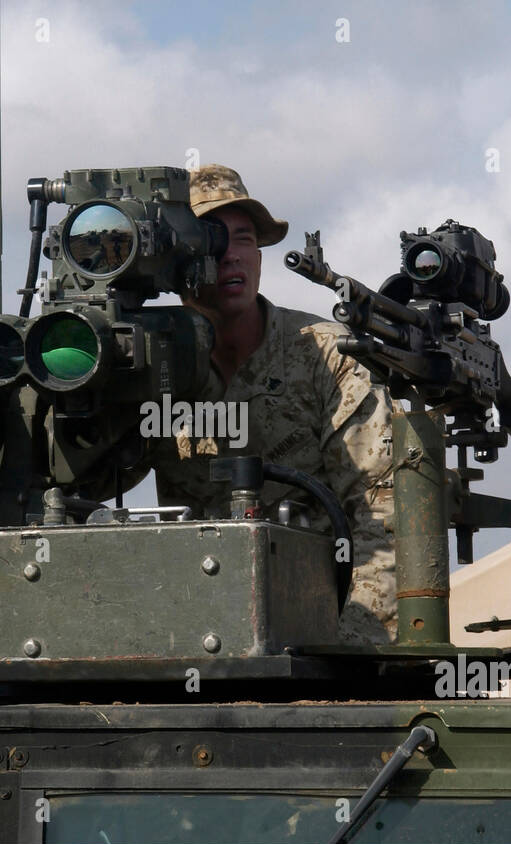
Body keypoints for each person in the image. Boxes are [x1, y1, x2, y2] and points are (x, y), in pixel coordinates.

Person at [151, 164, 397, 645]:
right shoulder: (149, 364)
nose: (231, 256)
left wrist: (347, 655)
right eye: (210, 239)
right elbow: (87, 485)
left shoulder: (327, 354)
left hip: (318, 633)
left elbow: (383, 517)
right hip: (192, 637)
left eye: (244, 239)